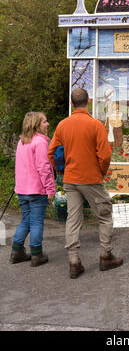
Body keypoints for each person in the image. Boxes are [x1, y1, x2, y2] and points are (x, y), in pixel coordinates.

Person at [48, 88, 123, 279]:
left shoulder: (62, 125)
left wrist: (62, 171)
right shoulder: (95, 124)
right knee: (104, 216)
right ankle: (105, 256)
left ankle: (74, 262)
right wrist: (100, 172)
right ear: (88, 102)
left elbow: (52, 152)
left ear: (72, 103)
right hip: (90, 179)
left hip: (70, 180)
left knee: (73, 220)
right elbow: (105, 154)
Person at [10, 112, 55, 266]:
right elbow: (43, 167)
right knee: (35, 222)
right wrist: (50, 189)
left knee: (27, 220)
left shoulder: (22, 141)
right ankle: (36, 254)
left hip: (22, 190)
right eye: (44, 121)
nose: (47, 124)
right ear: (36, 125)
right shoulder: (40, 142)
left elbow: (21, 165)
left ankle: (17, 251)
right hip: (37, 190)